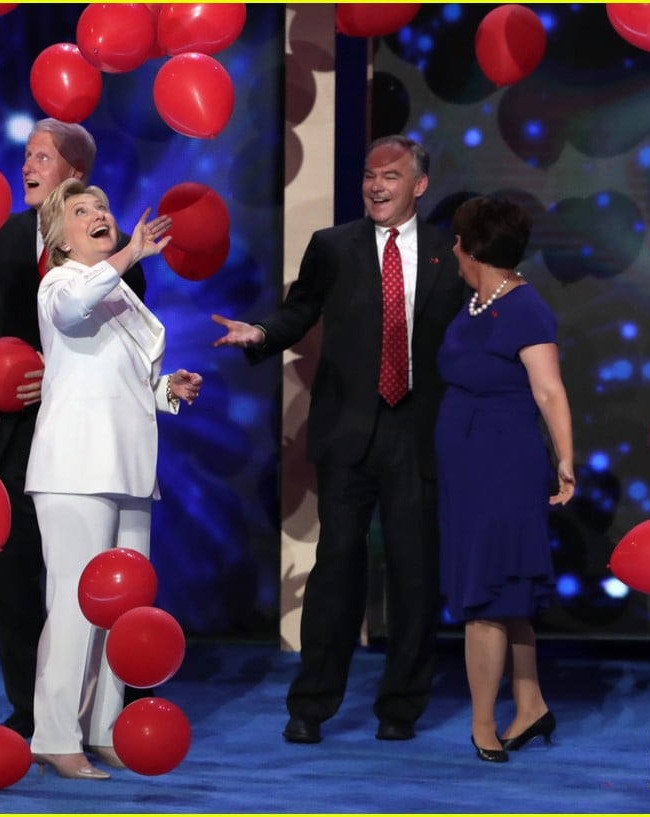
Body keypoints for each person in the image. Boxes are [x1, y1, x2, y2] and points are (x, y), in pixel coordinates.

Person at [212, 135, 464, 743]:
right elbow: (299, 311)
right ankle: (312, 705)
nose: (378, 186)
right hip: (349, 432)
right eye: (370, 175)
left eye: (392, 176)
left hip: (417, 433)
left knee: (414, 576)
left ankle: (400, 708)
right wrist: (262, 333)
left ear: (419, 185)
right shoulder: (333, 246)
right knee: (336, 574)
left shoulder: (448, 253)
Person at [0, 119, 147, 739]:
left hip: (73, 443)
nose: (27, 167)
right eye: (25, 156)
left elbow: (123, 347)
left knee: (81, 578)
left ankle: (97, 712)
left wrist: (53, 375)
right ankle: (31, 711)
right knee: (9, 584)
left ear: (75, 174)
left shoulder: (110, 248)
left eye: (41, 157)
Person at [26, 179, 203, 779]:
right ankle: (53, 734)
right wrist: (128, 256)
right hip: (76, 469)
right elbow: (74, 317)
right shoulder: (61, 284)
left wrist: (165, 389)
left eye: (103, 206)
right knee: (75, 607)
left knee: (121, 612)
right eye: (82, 211)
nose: (99, 214)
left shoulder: (120, 294)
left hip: (128, 467)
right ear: (59, 235)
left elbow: (118, 376)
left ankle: (103, 728)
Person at [434, 195, 575, 763]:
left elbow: (548, 389)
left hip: (503, 462)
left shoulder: (526, 308)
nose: (453, 249)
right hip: (466, 464)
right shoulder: (474, 301)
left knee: (486, 594)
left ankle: (482, 724)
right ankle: (531, 703)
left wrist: (566, 459)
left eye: (458, 240)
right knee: (505, 587)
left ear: (473, 248)